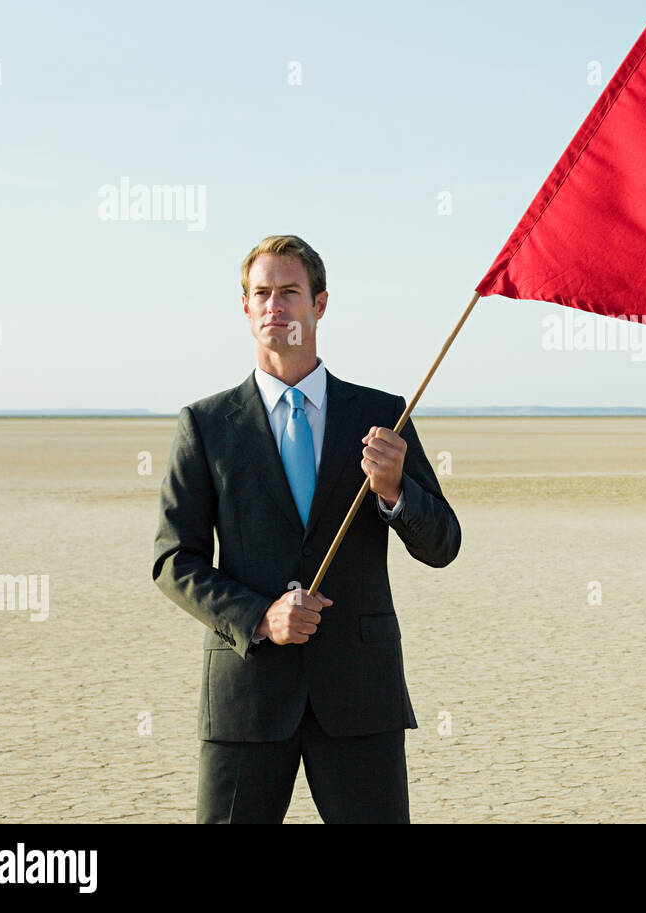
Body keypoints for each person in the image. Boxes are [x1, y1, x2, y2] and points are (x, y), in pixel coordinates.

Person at [152, 234, 461, 823]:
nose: (275, 305)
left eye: (290, 291)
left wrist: (395, 491)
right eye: (261, 293)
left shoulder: (382, 415)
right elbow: (173, 561)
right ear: (245, 308)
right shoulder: (206, 424)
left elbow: (443, 544)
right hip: (247, 696)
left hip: (359, 694)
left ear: (319, 304)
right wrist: (260, 617)